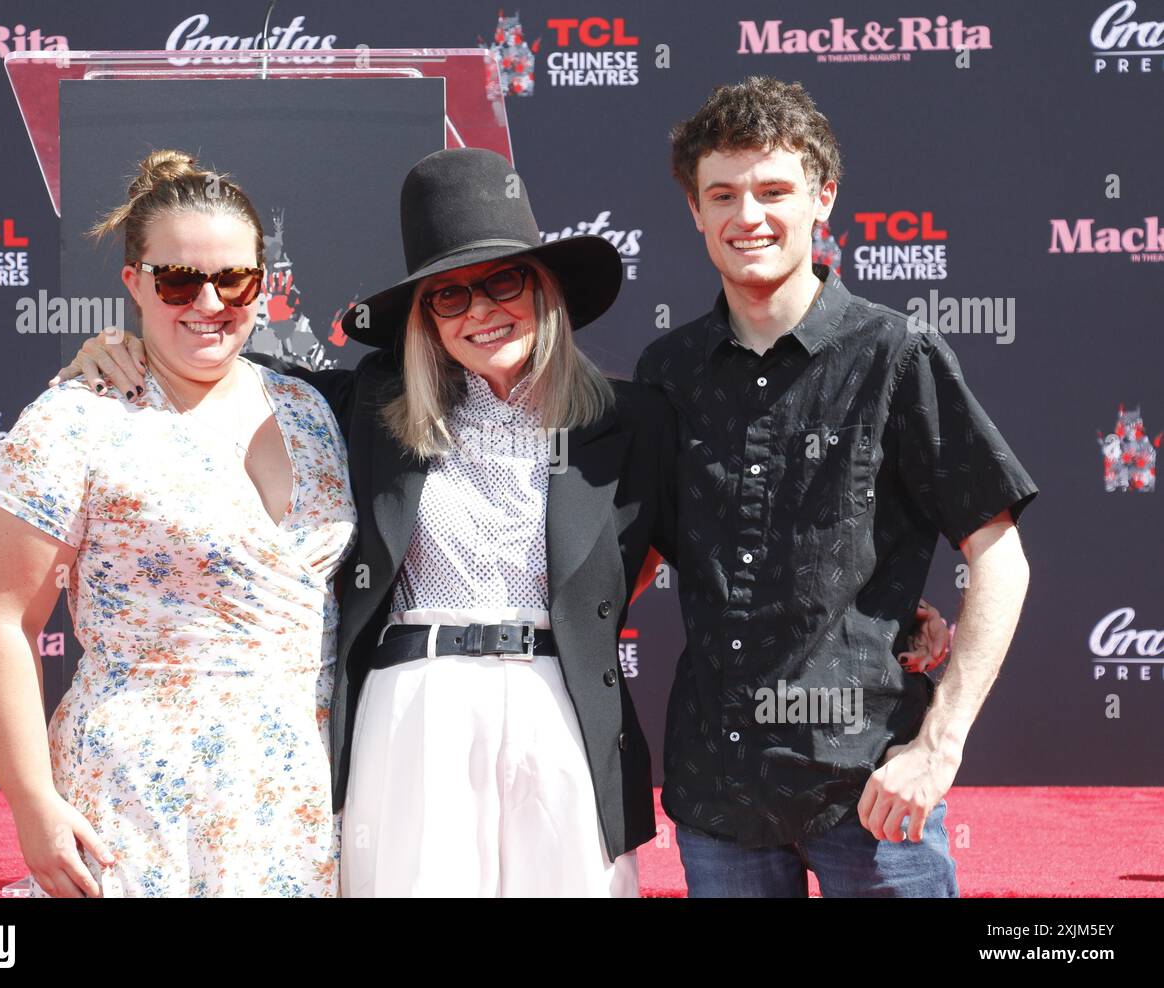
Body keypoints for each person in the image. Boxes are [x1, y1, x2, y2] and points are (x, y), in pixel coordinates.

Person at [58, 147, 949, 898]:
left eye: (502, 283)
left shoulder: (632, 419)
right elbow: (212, 355)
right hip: (412, 710)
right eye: (450, 296)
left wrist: (884, 613)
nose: (481, 310)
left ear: (544, 289)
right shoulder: (358, 407)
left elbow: (733, 546)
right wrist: (122, 345)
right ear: (422, 316)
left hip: (561, 709)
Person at [634, 77, 1037, 897]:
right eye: (724, 194)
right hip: (720, 796)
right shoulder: (667, 373)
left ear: (823, 198)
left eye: (774, 190)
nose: (749, 216)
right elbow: (640, 558)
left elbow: (1000, 556)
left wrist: (940, 744)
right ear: (695, 210)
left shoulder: (895, 355)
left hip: (870, 795)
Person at [0, 150, 356, 897]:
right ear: (134, 283)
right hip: (139, 797)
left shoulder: (314, 410)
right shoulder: (74, 421)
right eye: (178, 279)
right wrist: (32, 802)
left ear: (263, 284)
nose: (208, 301)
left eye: (233, 278)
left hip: (299, 797)